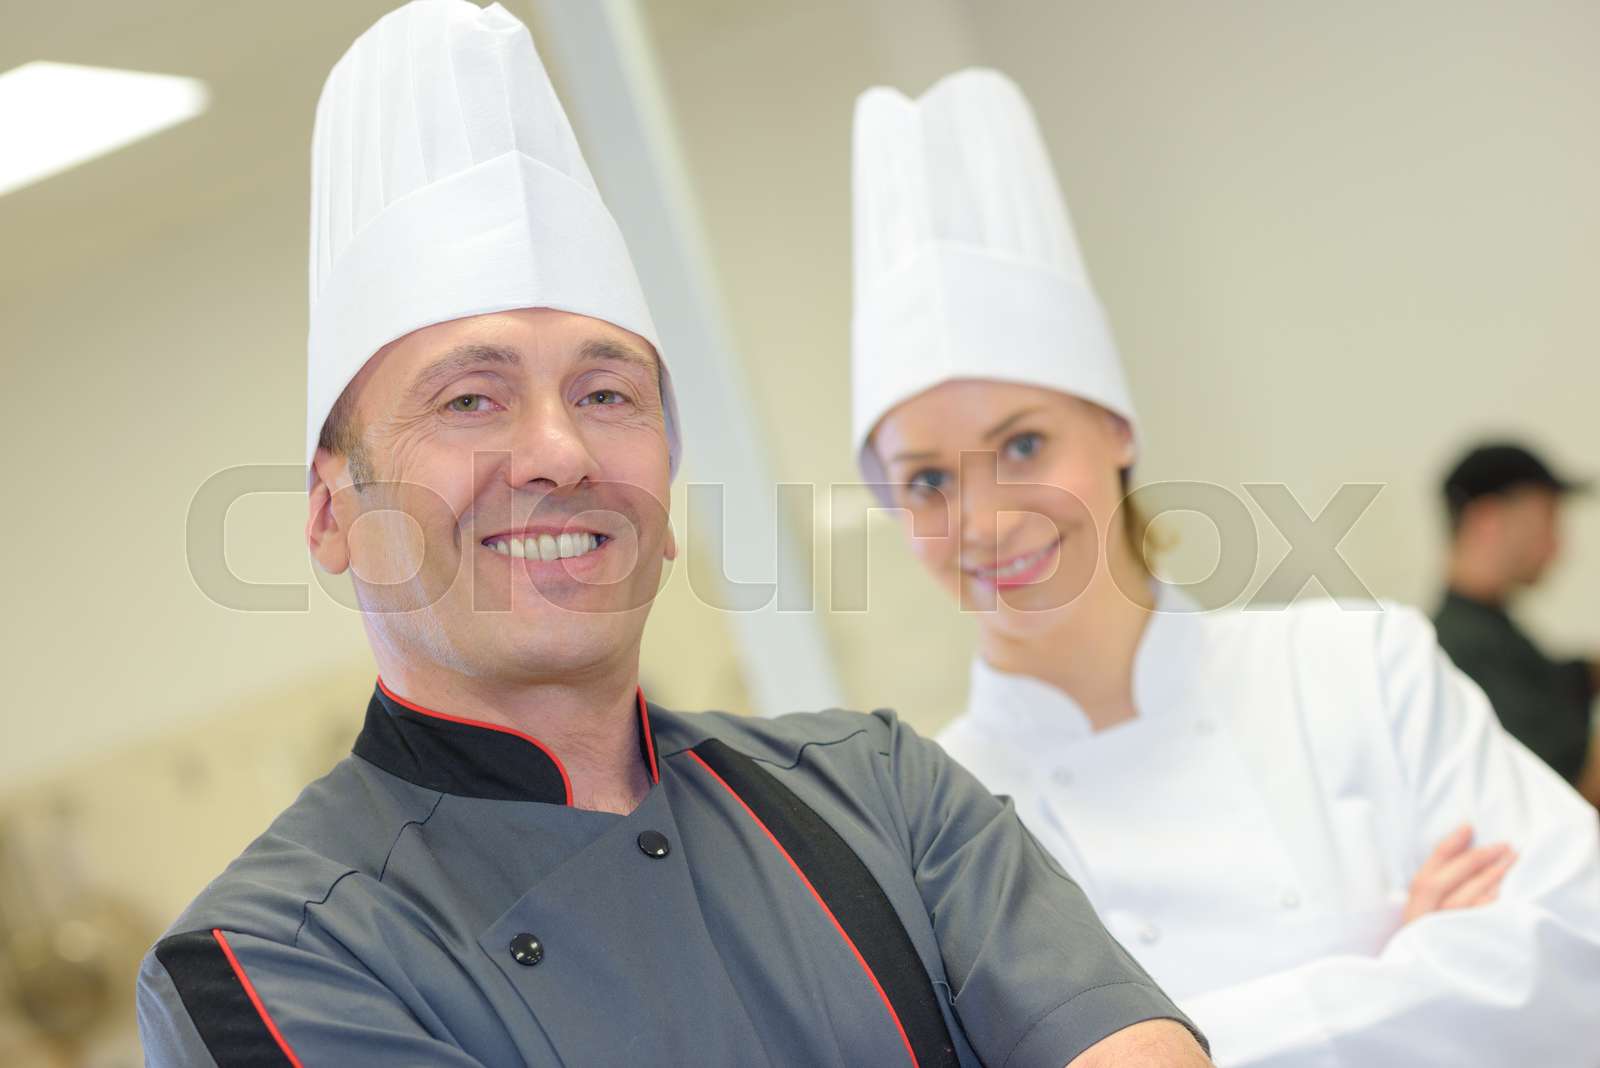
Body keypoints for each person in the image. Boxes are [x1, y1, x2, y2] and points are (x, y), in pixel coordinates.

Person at [134, 5, 1211, 1066]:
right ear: (331, 516)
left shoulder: (879, 790)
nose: (560, 454)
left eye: (607, 394)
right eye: (470, 400)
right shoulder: (272, 962)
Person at [849, 68, 1600, 1067]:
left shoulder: (1360, 665)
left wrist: (1171, 1036)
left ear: (1116, 428)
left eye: (1023, 445)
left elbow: (1576, 948)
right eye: (928, 479)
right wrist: (1402, 970)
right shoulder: (930, 829)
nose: (982, 518)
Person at [1433, 442, 1599, 803]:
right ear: (1488, 520)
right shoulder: (1462, 649)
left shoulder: (1491, 632)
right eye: (1548, 520)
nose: (1557, 545)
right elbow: (1570, 785)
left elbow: (1553, 682)